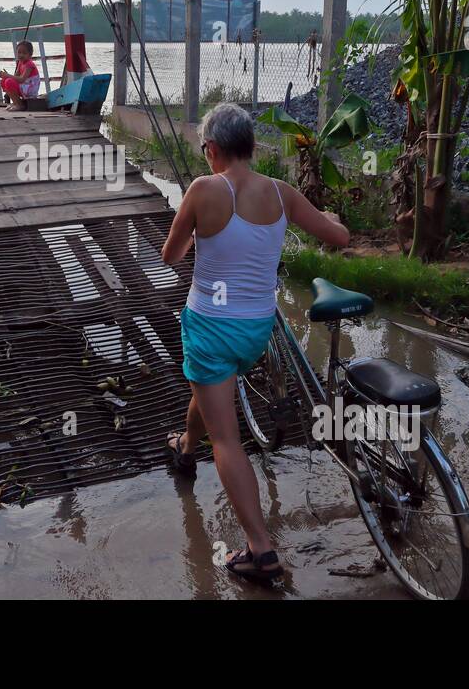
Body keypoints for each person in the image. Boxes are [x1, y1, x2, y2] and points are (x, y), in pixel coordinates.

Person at [160, 103, 350, 584]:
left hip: (210, 328)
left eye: (205, 149)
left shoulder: (204, 190)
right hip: (257, 329)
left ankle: (261, 552)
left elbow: (171, 254)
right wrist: (327, 213)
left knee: (228, 439)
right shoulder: (282, 194)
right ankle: (185, 446)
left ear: (215, 149)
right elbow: (339, 235)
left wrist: (199, 231)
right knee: (209, 394)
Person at [0, 40, 41, 111]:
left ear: (30, 55)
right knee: (4, 81)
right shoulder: (20, 62)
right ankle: (16, 102)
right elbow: (16, 76)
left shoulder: (29, 64)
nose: (21, 55)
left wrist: (8, 75)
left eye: (24, 53)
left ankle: (19, 105)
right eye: (19, 52)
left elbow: (22, 79)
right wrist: (5, 76)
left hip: (30, 89)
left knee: (8, 81)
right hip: (24, 86)